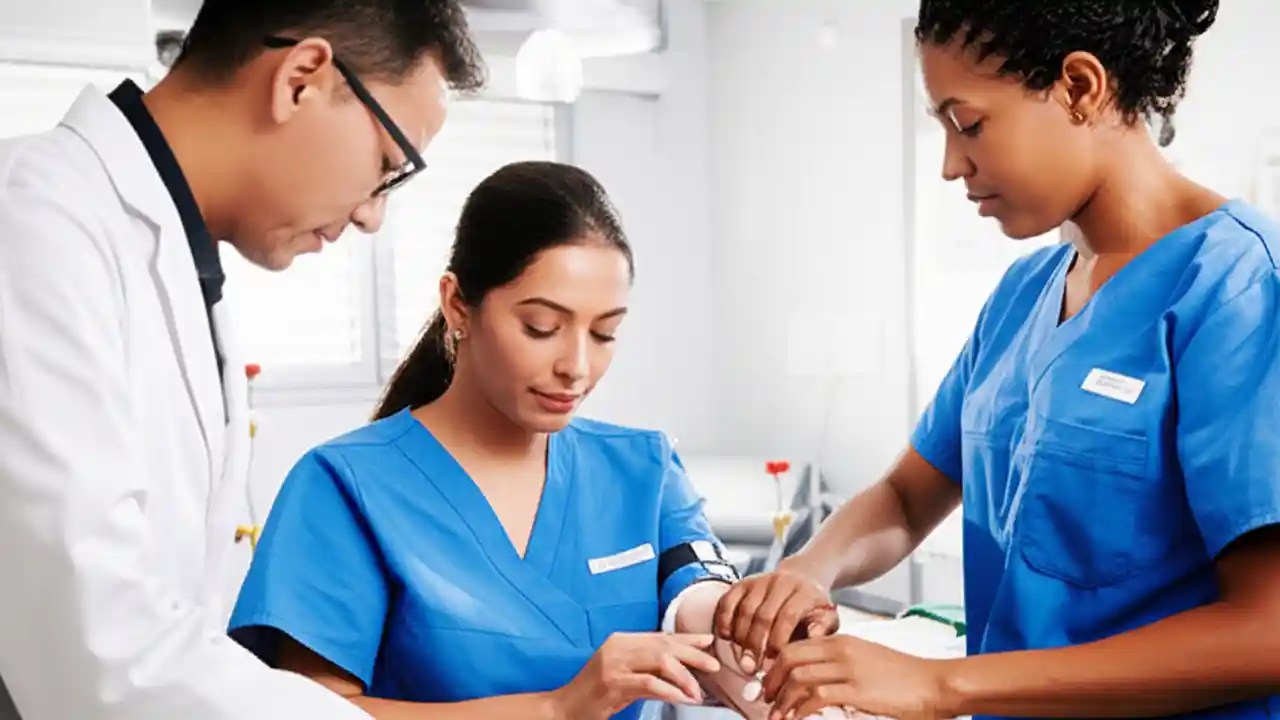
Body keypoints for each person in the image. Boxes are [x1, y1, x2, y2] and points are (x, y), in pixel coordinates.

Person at [715, 2, 1280, 720]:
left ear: (1080, 87)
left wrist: (940, 684)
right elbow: (908, 494)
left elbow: (1270, 631)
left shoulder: (1237, 287)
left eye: (969, 124)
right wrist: (808, 571)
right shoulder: (1025, 295)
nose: (952, 164)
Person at [0, 1, 484, 718]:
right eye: (388, 164)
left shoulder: (172, 258)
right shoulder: (34, 220)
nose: (372, 215)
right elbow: (98, 650)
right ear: (302, 79)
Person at [226, 161, 770, 720]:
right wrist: (557, 709)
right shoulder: (344, 488)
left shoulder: (642, 467)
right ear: (458, 304)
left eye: (605, 333)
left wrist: (757, 640)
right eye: (540, 327)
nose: (577, 367)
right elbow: (308, 714)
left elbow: (699, 596)